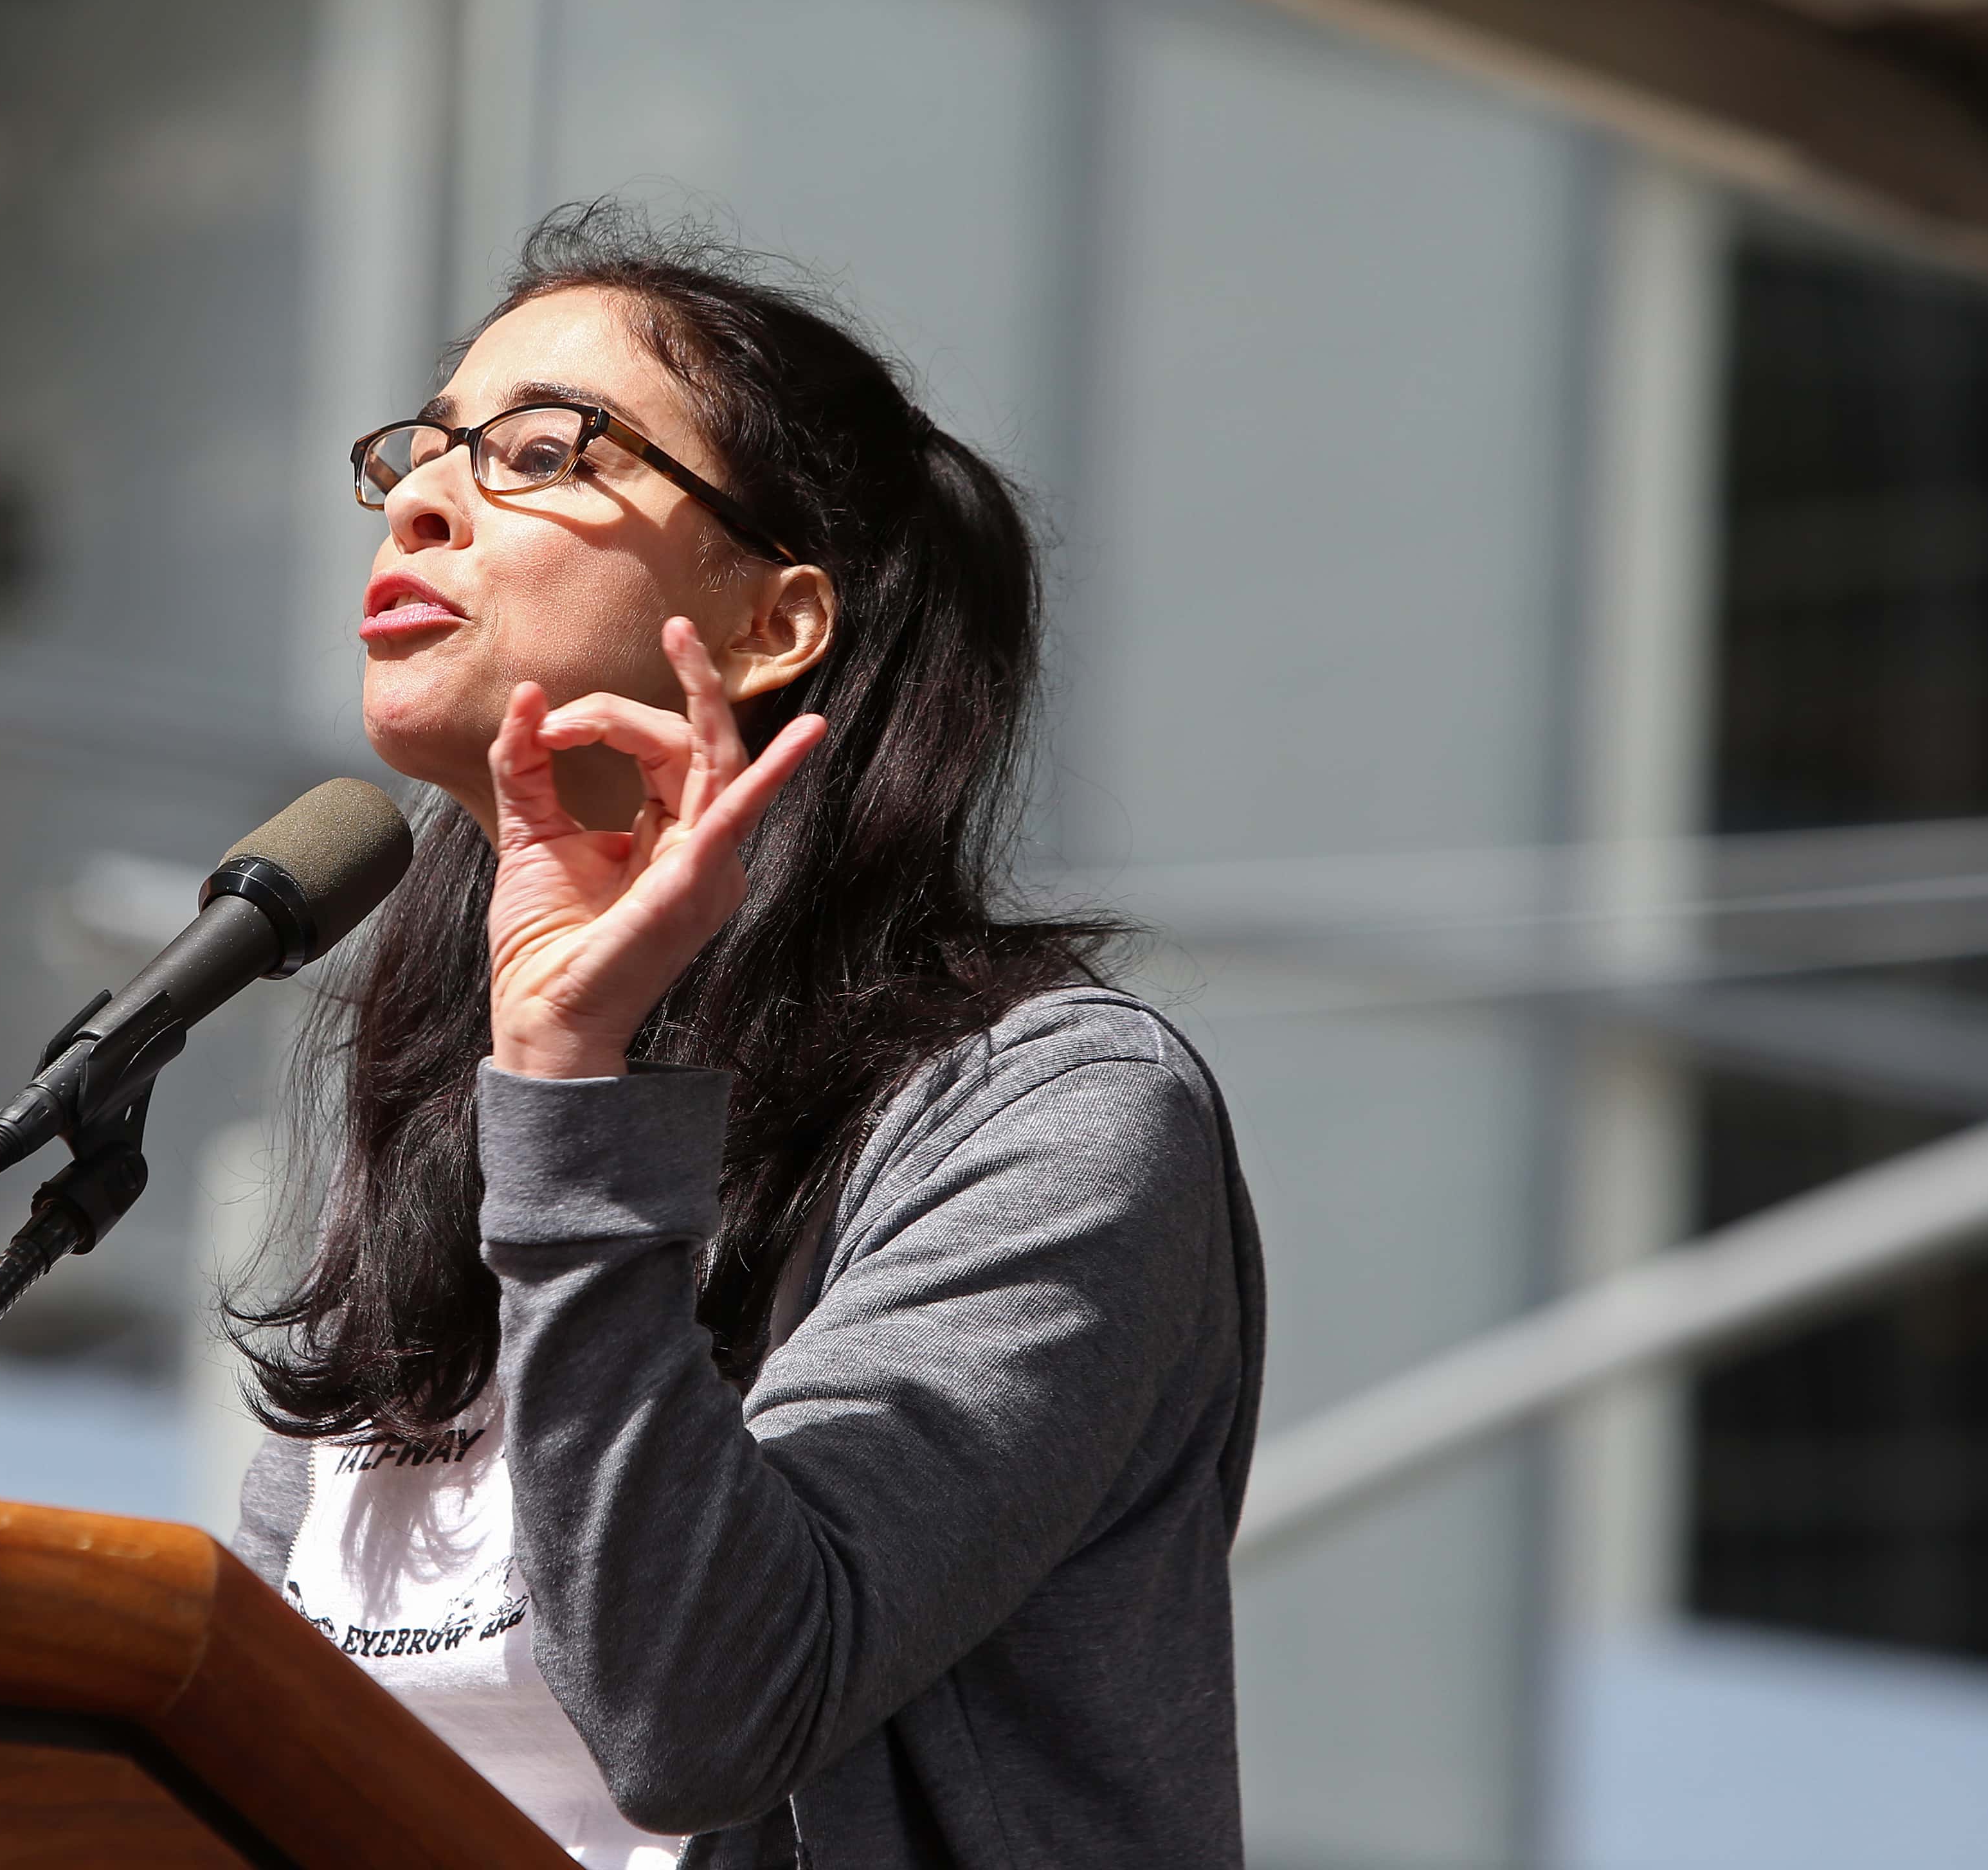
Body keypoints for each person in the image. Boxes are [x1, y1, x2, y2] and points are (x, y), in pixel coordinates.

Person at [228, 203, 1263, 1870]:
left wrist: (571, 1092)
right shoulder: (444, 1094)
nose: (420, 498)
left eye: (540, 455)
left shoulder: (1058, 1121)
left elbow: (699, 1716)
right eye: (418, 452)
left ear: (779, 623)